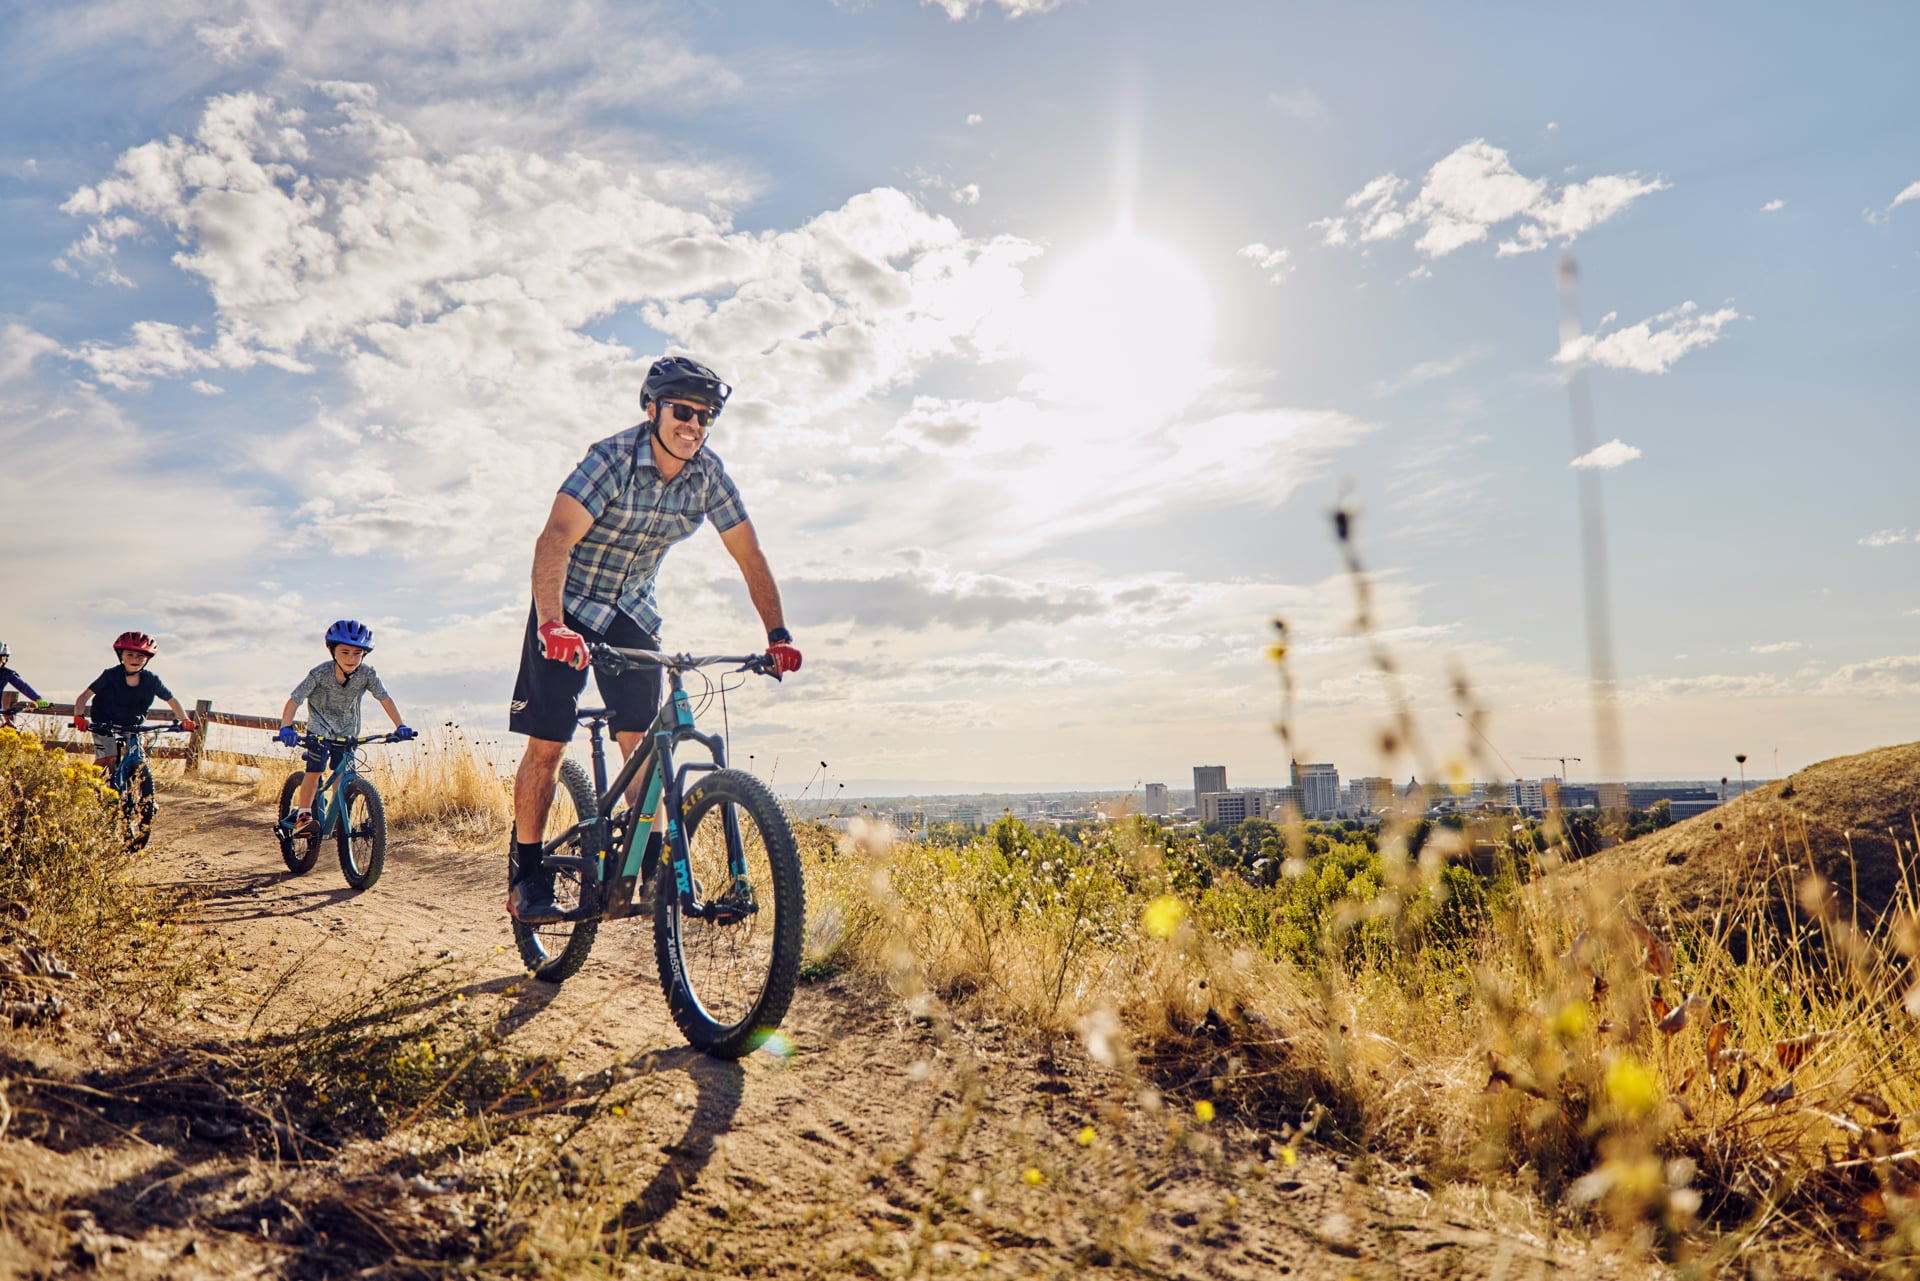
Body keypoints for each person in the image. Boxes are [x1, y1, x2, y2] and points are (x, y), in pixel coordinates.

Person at [506, 355, 802, 922]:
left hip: (632, 611)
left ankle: (651, 868)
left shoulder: (708, 474)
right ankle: (527, 873)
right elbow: (555, 539)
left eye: (706, 416)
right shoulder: (611, 460)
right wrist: (551, 624)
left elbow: (749, 554)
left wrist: (778, 634)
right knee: (548, 744)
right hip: (568, 604)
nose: (694, 425)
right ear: (652, 409)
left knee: (641, 738)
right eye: (683, 412)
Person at [275, 620, 415, 836]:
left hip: (348, 732)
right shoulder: (319, 674)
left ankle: (340, 821)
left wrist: (400, 726)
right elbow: (295, 700)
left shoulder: (367, 674)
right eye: (345, 652)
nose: (351, 658)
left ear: (364, 654)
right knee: (315, 770)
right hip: (319, 731)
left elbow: (384, 698)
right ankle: (303, 816)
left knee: (343, 776)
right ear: (332, 651)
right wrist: (286, 728)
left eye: (357, 653)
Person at [72, 631, 193, 768]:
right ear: (121, 656)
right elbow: (83, 697)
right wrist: (79, 717)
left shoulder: (151, 680)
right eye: (130, 654)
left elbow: (171, 700)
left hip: (133, 724)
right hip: (104, 721)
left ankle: (135, 783)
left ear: (147, 658)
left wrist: (184, 720)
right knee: (108, 757)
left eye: (140, 655)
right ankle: (88, 785)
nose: (135, 659)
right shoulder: (110, 675)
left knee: (137, 757)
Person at [0, 641, 51, 725]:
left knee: (8, 732)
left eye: (3, 659)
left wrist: (38, 700)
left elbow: (22, 686)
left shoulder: (6, 674)